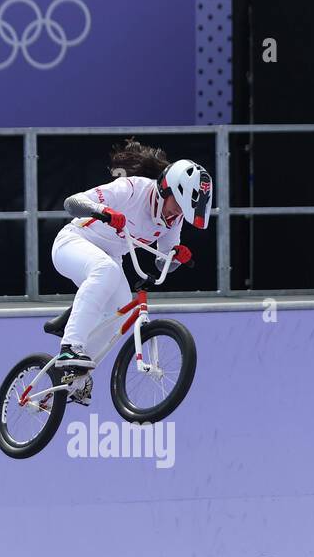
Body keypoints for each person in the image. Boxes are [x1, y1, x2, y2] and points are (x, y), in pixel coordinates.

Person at [50, 139, 211, 402]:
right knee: (105, 271)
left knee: (120, 314)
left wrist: (176, 258)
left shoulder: (174, 220)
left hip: (112, 259)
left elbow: (163, 262)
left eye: (184, 210)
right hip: (74, 242)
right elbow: (72, 203)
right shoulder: (132, 189)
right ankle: (70, 348)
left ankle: (74, 377)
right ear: (166, 189)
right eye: (178, 204)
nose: (178, 214)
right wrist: (104, 212)